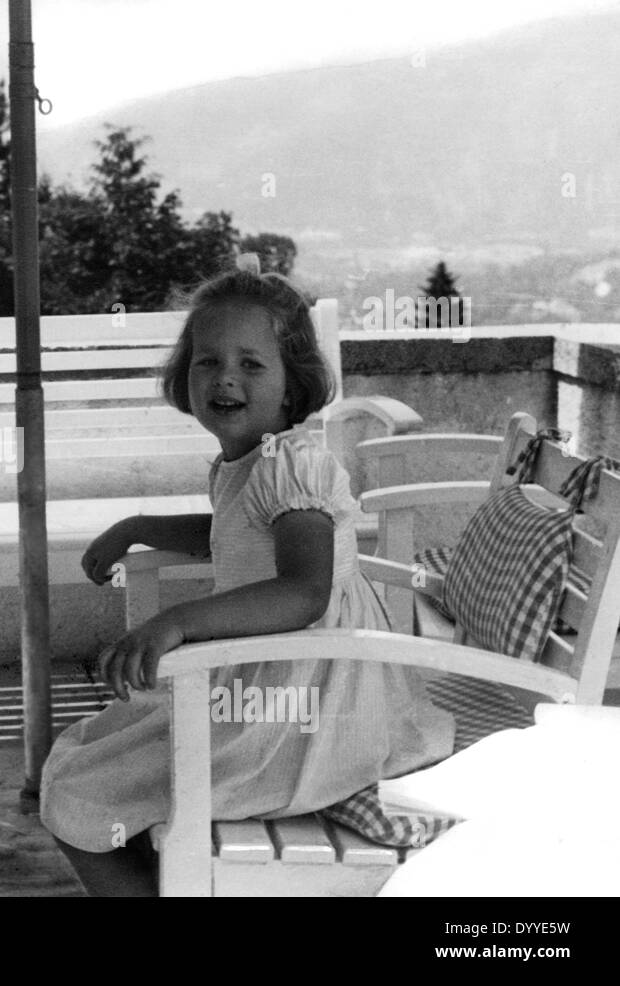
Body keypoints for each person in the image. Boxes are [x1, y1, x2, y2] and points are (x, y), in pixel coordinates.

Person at [40, 268, 455, 896]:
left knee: (79, 792)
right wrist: (139, 525)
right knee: (84, 754)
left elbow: (304, 591)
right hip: (267, 680)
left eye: (252, 365)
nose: (225, 378)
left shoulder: (293, 466)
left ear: (293, 389)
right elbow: (230, 532)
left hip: (307, 706)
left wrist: (176, 621)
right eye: (207, 361)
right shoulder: (248, 464)